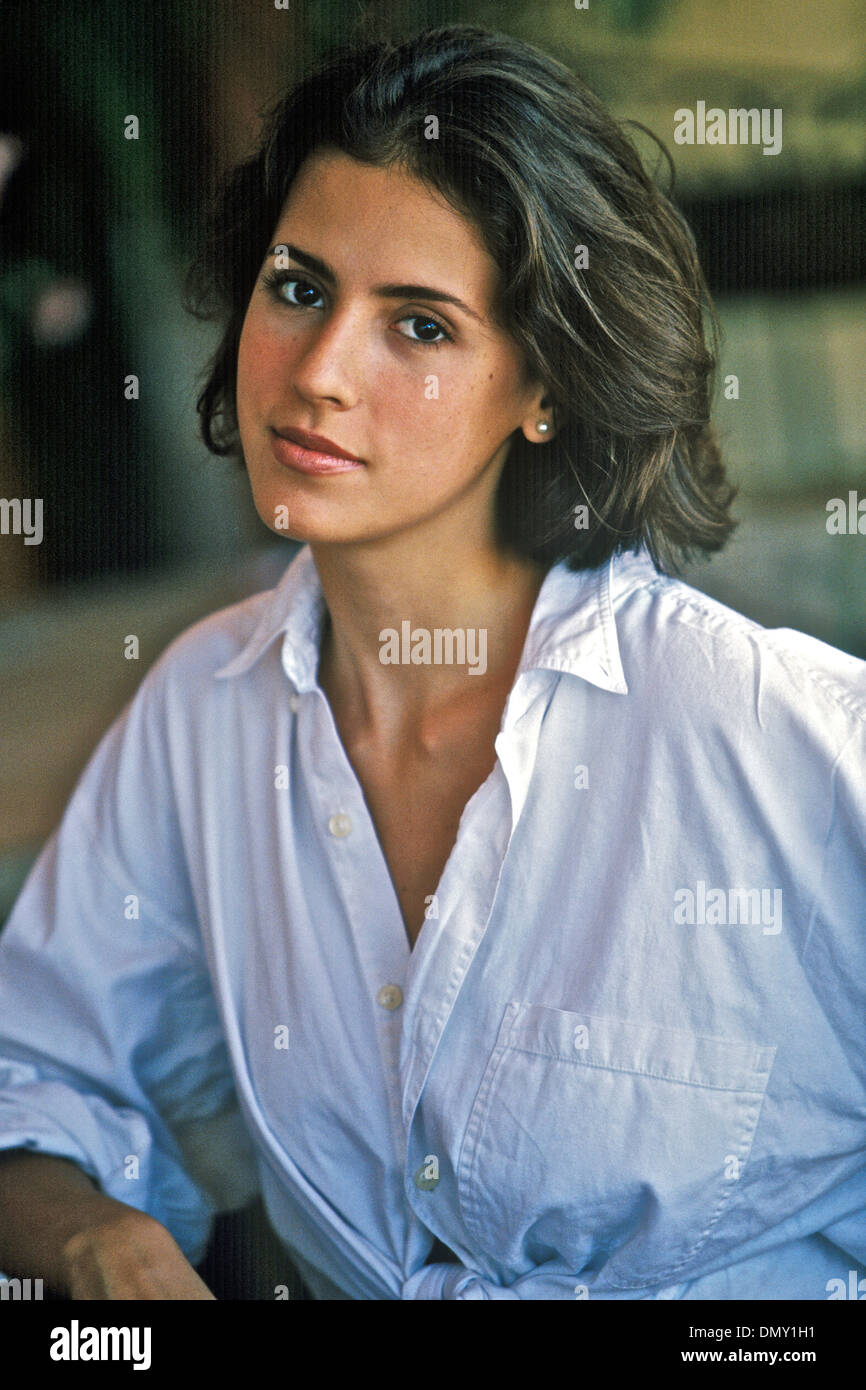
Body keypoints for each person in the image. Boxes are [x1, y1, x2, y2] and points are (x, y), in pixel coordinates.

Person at [0, 23, 863, 1301]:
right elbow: (45, 1081)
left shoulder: (765, 732)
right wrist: (96, 1237)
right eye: (297, 287)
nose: (319, 372)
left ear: (544, 386)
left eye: (417, 323)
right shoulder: (205, 713)